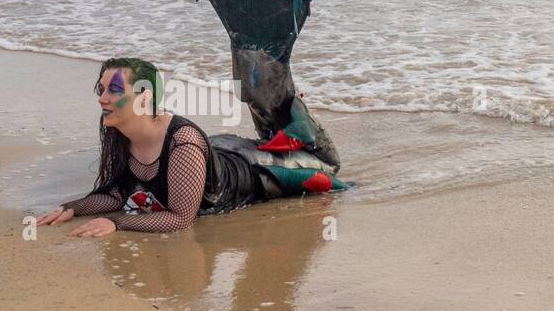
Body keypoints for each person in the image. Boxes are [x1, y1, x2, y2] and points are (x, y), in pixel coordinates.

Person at [34, 56, 343, 236]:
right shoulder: (121, 134)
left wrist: (114, 222)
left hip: (256, 171)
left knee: (327, 166)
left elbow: (180, 218)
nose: (102, 98)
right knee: (270, 136)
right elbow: (118, 193)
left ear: (144, 98)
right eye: (100, 88)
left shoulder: (182, 142)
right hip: (219, 150)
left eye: (114, 90)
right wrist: (72, 208)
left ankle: (298, 115)